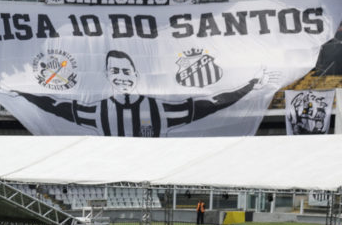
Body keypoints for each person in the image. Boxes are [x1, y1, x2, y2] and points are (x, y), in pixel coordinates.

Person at [14, 49, 271, 137]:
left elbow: (211, 103)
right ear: (107, 76)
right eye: (115, 71)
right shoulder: (97, 110)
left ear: (135, 75)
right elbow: (55, 105)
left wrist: (248, 86)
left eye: (126, 72)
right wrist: (21, 92)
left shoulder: (160, 109)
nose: (121, 77)